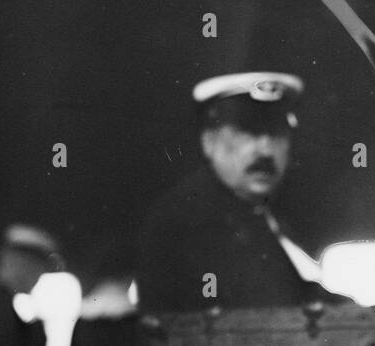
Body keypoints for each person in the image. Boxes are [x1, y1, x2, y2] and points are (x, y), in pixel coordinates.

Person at [135, 72, 337, 313]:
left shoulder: (268, 218)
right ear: (209, 141)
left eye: (276, 132)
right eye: (247, 131)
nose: (265, 150)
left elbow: (303, 297)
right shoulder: (184, 222)